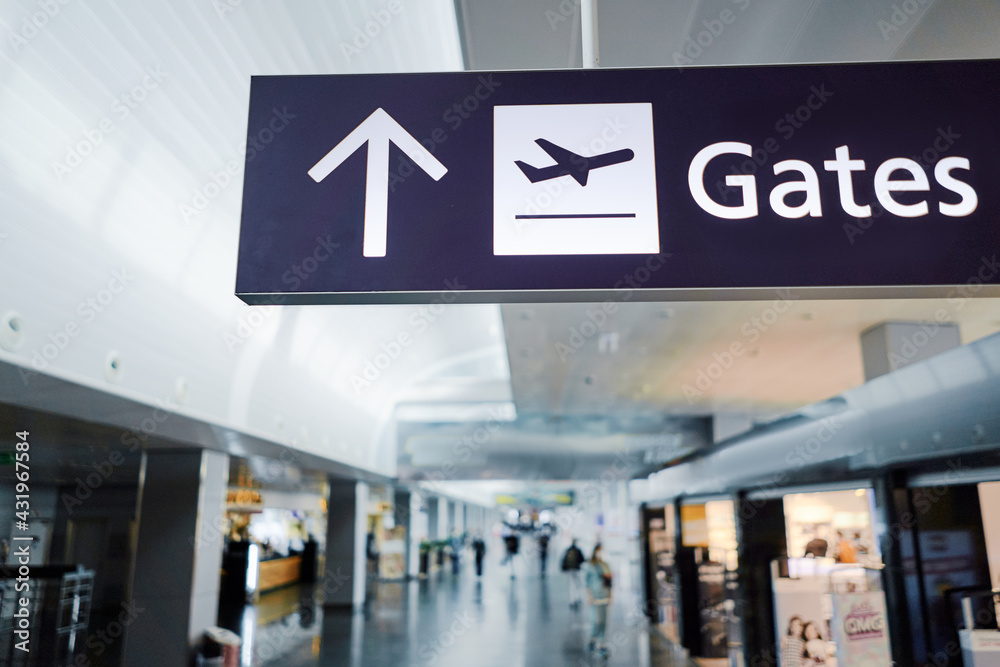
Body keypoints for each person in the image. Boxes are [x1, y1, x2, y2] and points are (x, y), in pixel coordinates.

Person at [585, 543, 612, 655]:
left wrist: (610, 595)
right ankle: (592, 639)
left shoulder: (606, 565)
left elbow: (609, 582)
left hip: (604, 596)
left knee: (604, 622)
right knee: (597, 621)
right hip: (595, 597)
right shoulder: (591, 566)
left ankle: (602, 644)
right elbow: (587, 583)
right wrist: (589, 596)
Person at [561, 539, 585, 609]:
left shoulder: (568, 550)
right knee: (578, 585)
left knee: (572, 585)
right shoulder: (578, 550)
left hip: (569, 570)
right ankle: (577, 598)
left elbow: (564, 559)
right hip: (576, 570)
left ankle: (572, 600)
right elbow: (582, 559)